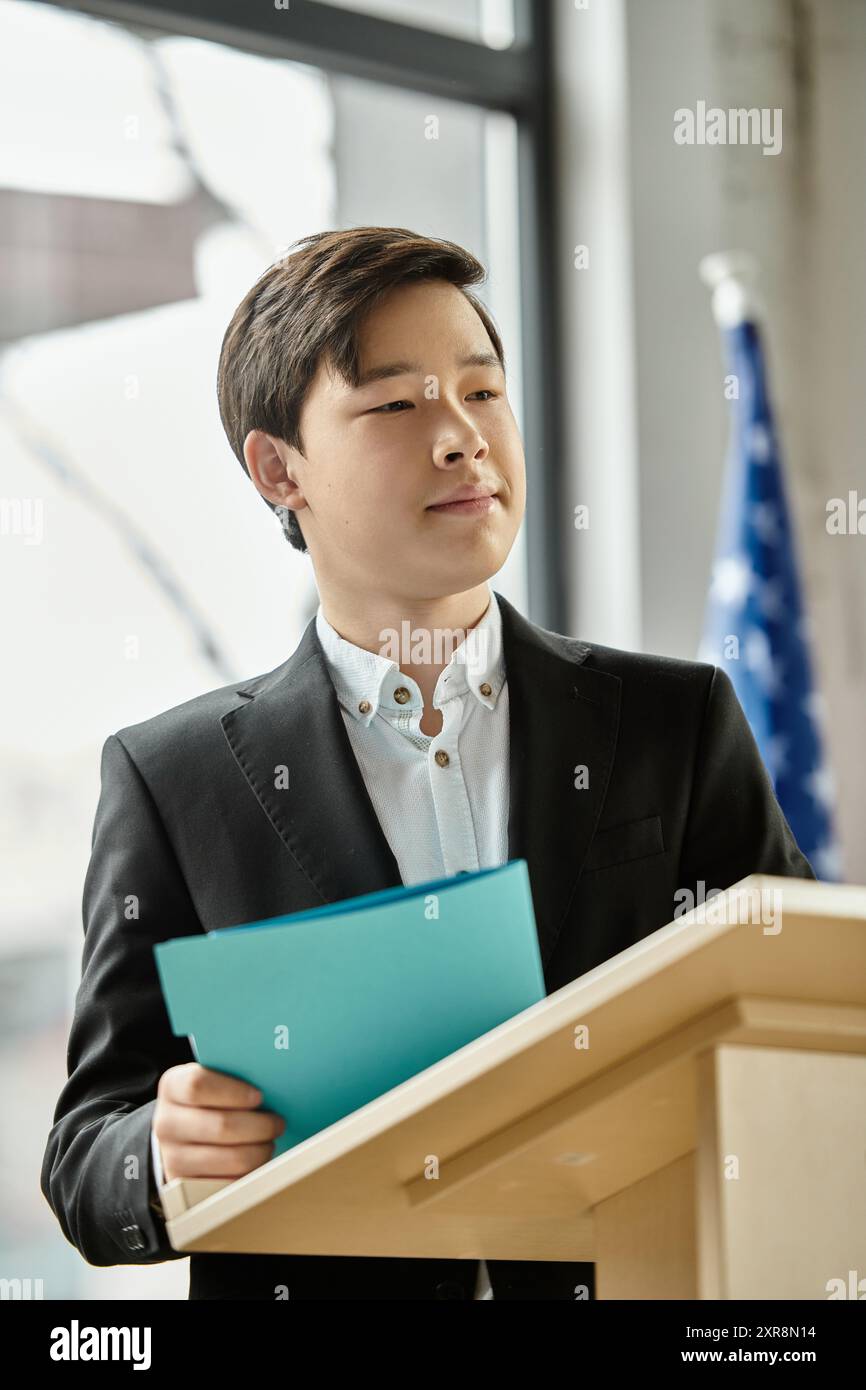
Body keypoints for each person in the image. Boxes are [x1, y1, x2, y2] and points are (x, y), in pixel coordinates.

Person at [41, 226, 814, 1300]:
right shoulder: (174, 781)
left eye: (482, 392)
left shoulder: (672, 722)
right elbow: (87, 1153)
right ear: (279, 469)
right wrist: (166, 1154)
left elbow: (806, 1036)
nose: (461, 437)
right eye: (396, 405)